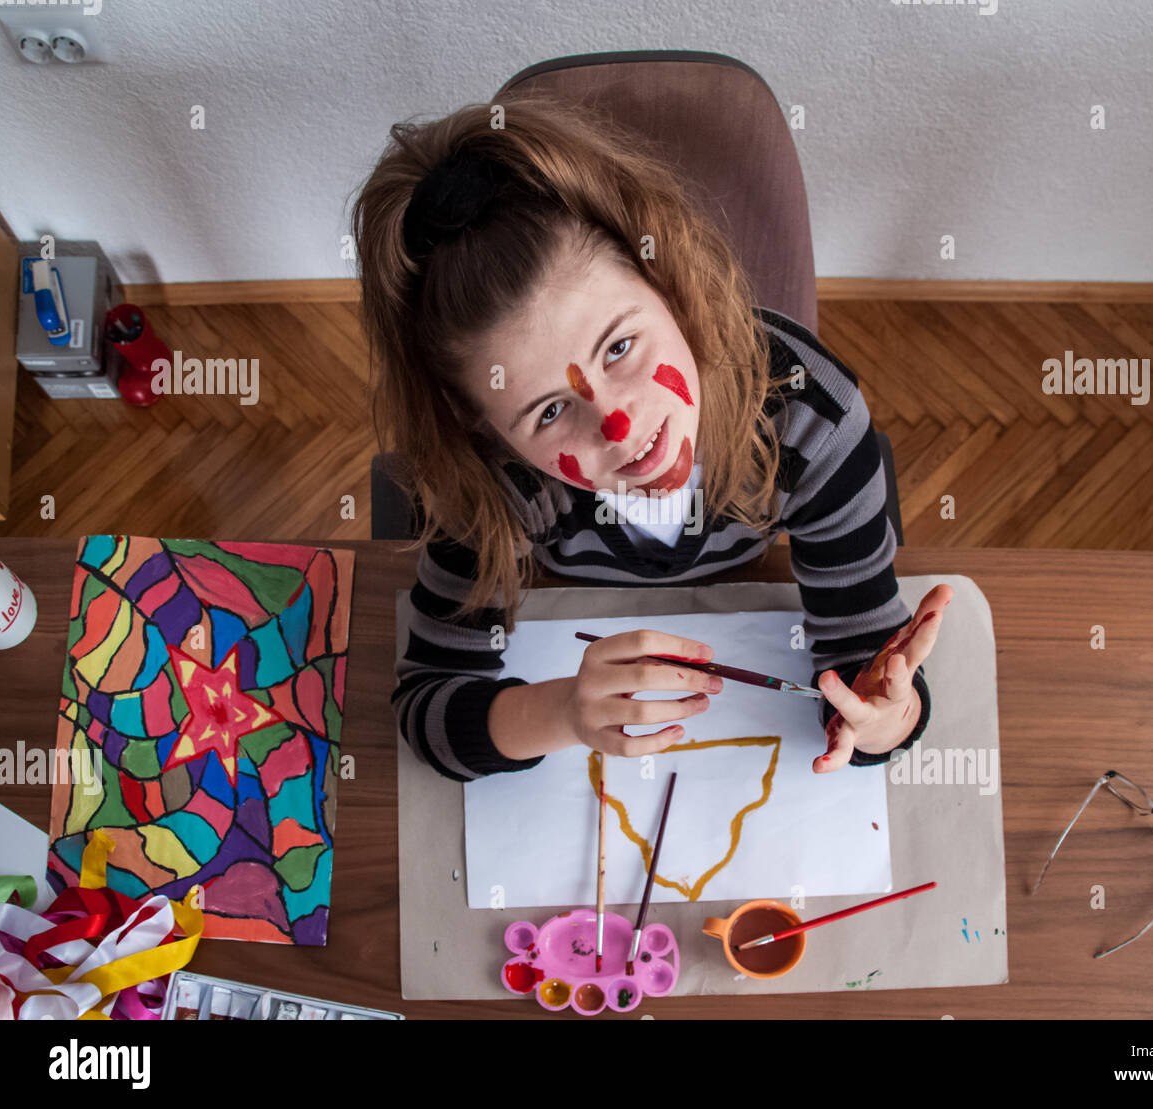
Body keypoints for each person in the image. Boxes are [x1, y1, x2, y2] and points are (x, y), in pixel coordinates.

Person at [350, 90, 952, 783]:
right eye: (548, 412)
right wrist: (562, 712)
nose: (620, 424)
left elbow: (866, 663)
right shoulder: (485, 475)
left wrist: (886, 716)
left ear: (667, 276)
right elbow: (426, 704)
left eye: (620, 347)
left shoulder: (811, 416)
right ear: (481, 429)